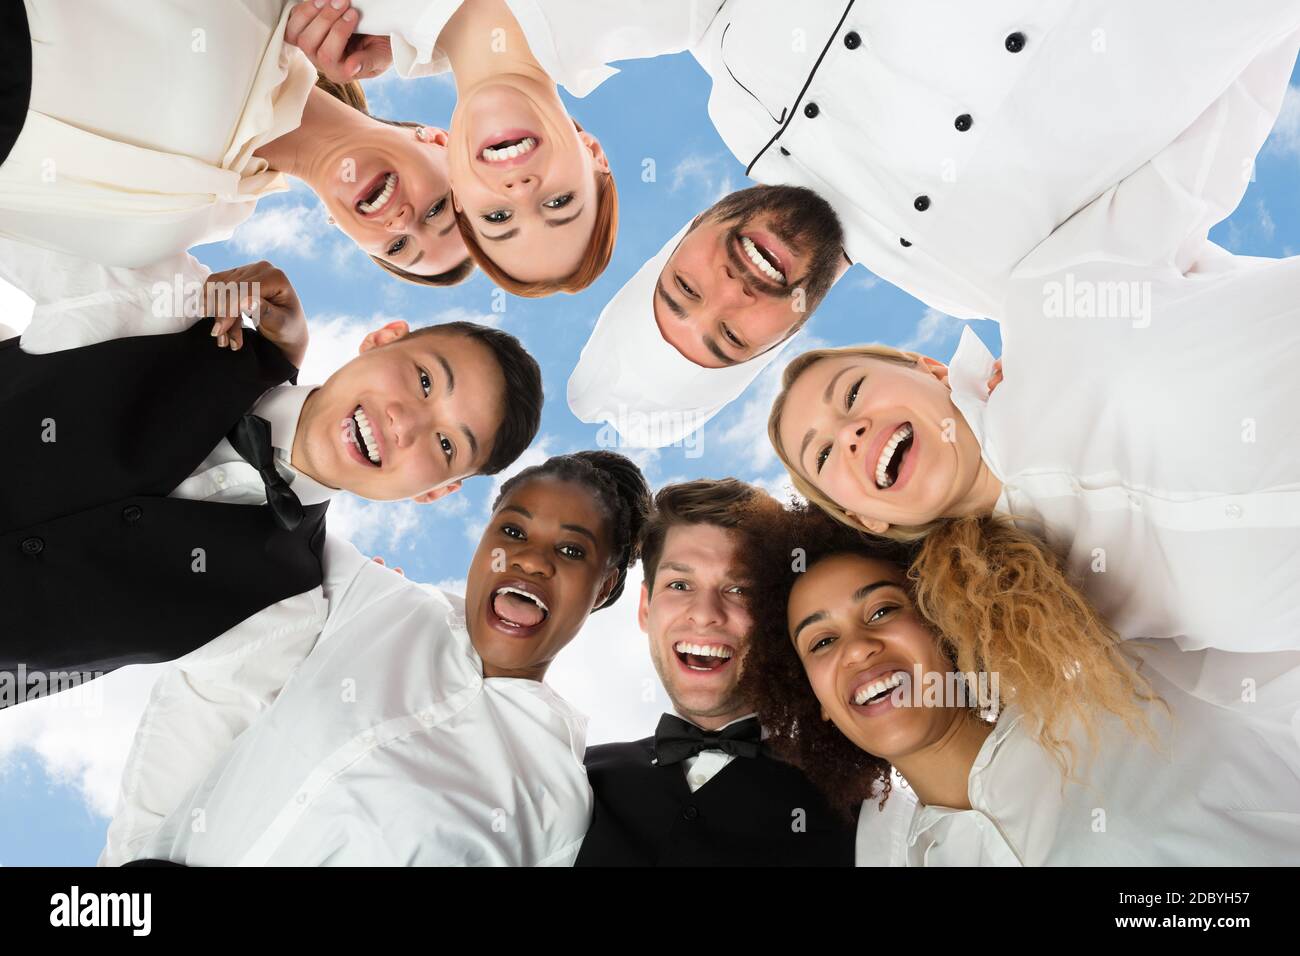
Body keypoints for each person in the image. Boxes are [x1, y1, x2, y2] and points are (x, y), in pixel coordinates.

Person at [558, 0, 1300, 445]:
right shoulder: (992, 282)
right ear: (778, 343)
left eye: (682, 291)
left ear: (676, 244)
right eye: (728, 337)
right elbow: (1198, 172)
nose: (728, 292)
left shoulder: (731, 59)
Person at [765, 147, 1300, 655]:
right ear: (865, 518)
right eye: (825, 455)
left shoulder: (1049, 300)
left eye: (853, 393)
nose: (851, 432)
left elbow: (1201, 140)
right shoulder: (1058, 629)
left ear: (928, 368)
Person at [0, 242, 542, 705]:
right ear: (382, 338)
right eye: (424, 380)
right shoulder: (181, 313)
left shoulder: (287, 621)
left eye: (446, 444)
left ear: (437, 491)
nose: (405, 424)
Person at [107, 451, 651, 866]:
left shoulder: (559, 800)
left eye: (572, 550)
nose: (531, 559)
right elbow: (235, 494)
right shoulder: (371, 596)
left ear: (604, 588)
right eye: (512, 530)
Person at [736, 503, 1300, 865]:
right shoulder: (897, 858)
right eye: (822, 643)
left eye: (882, 611)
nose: (858, 648)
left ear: (943, 622)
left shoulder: (1134, 694)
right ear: (819, 706)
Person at [0, 0, 471, 285]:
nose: (403, 222)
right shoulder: (284, 20)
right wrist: (409, 28)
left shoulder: (192, 226)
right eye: (437, 211)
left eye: (397, 248)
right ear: (436, 140)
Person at [575, 478, 904, 867]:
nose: (705, 613)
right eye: (680, 584)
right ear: (646, 607)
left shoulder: (870, 812)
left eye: (739, 590)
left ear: (775, 617)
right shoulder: (577, 777)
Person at [288, 0, 619, 296]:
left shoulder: (368, 30)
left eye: (498, 216)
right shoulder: (625, 19)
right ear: (592, 151)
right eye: (560, 202)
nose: (520, 190)